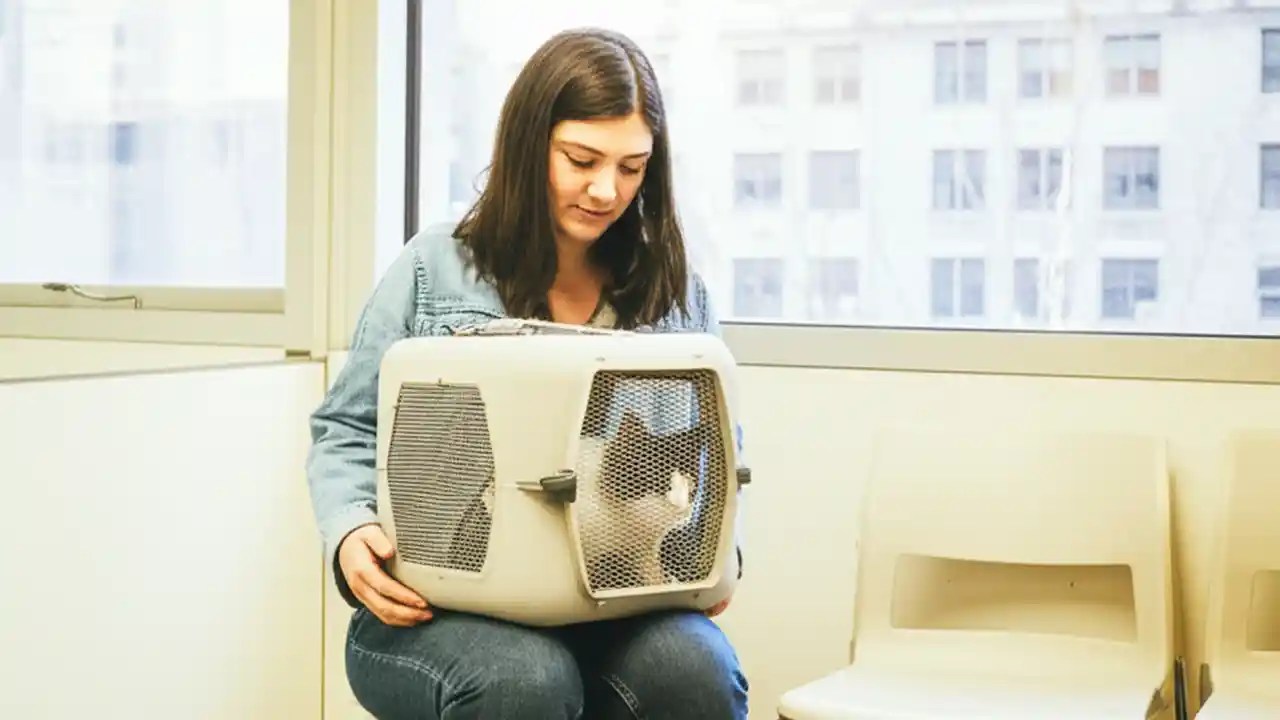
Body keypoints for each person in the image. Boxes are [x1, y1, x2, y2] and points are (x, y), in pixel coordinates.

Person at [305, 26, 749, 720]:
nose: (606, 190)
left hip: (614, 602)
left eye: (632, 168)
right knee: (527, 683)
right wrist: (352, 532)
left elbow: (721, 451)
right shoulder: (432, 269)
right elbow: (346, 429)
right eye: (581, 160)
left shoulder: (677, 294)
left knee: (695, 672)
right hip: (443, 606)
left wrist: (719, 550)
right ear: (529, 145)